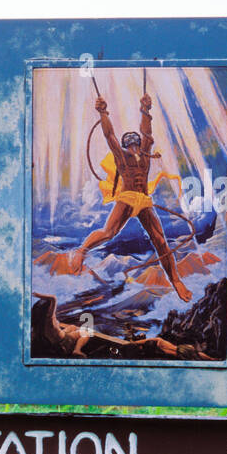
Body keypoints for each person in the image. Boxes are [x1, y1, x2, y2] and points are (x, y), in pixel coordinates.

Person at [63, 93, 191, 302]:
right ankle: (82, 250)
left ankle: (175, 280)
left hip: (144, 200)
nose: (134, 148)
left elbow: (147, 132)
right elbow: (110, 135)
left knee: (160, 240)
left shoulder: (146, 154)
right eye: (130, 145)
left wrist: (145, 110)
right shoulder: (122, 157)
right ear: (126, 147)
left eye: (136, 144)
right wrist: (103, 112)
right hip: (128, 197)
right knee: (109, 232)